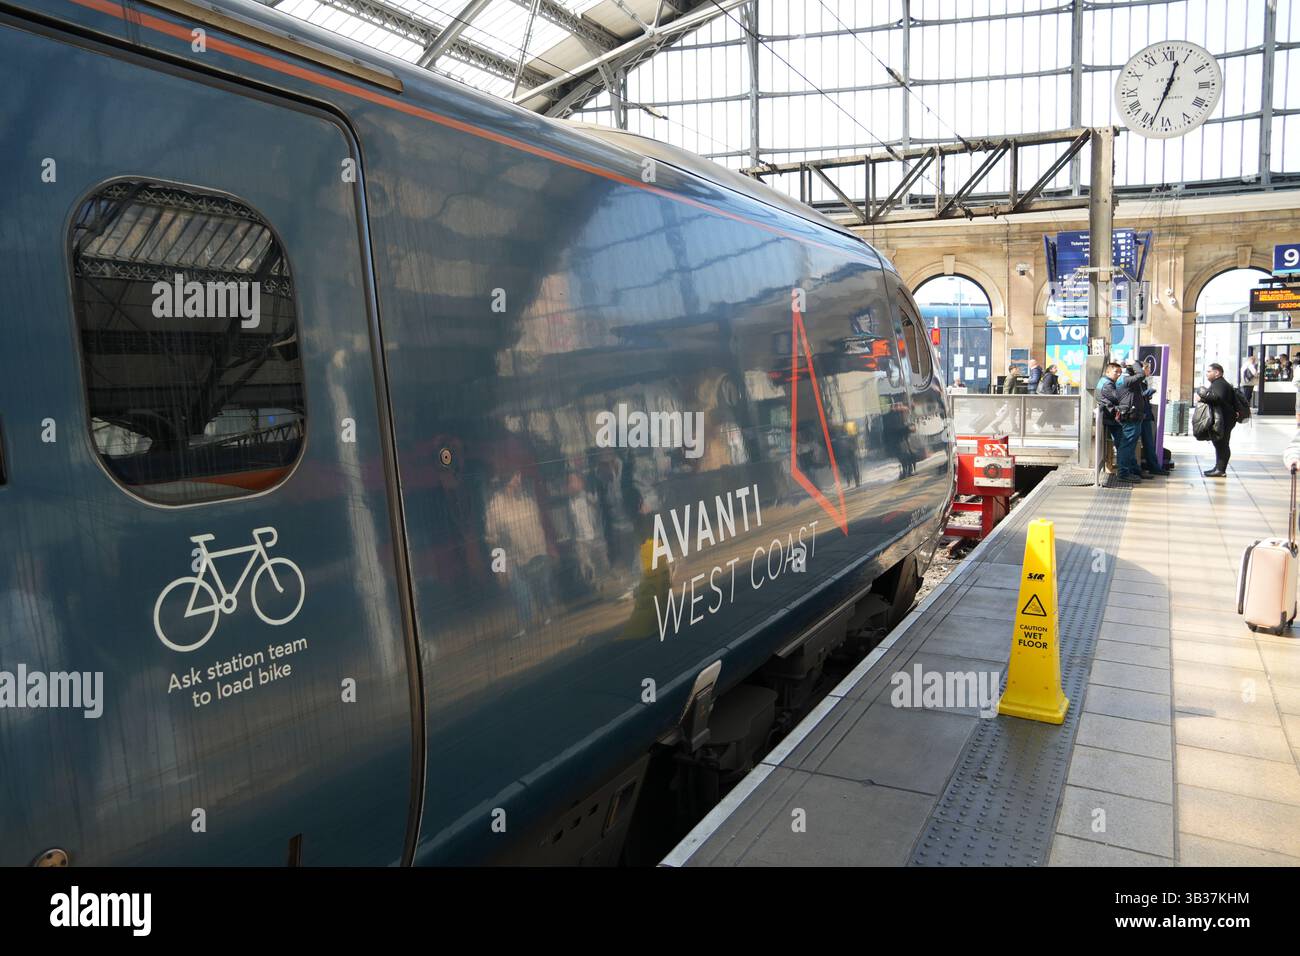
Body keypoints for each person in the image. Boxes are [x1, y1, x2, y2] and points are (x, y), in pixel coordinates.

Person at [1195, 363, 1236, 478]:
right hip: (1223, 418)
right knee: (1219, 443)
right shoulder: (1218, 383)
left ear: (1217, 372)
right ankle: (1218, 467)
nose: (1207, 374)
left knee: (1222, 444)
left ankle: (1220, 469)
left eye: (1209, 371)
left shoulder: (1220, 384)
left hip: (1224, 419)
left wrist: (1202, 397)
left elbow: (1217, 399)